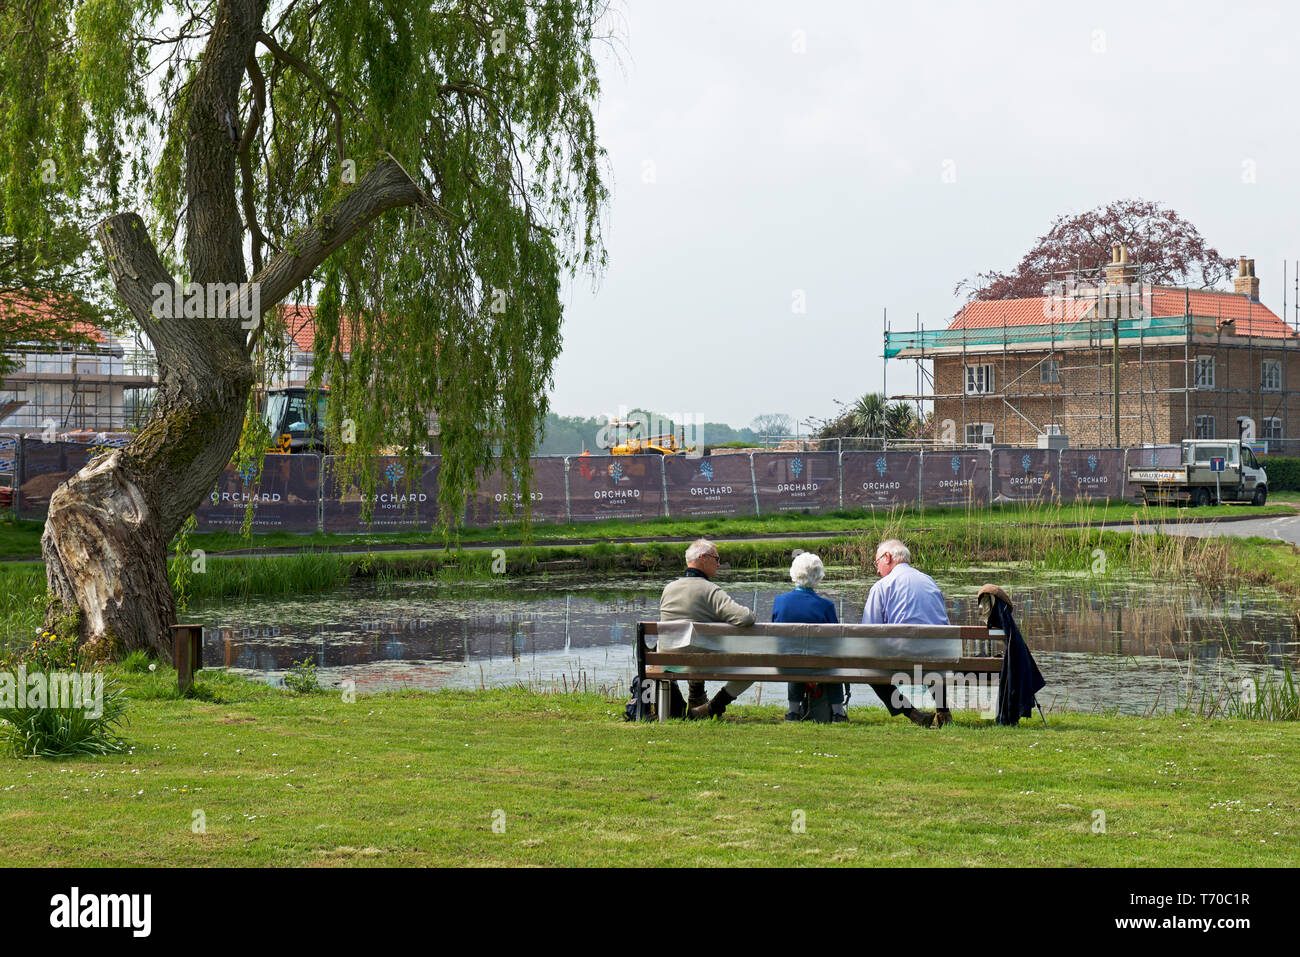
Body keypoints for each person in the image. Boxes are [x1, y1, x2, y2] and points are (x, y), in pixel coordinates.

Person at [659, 538, 756, 719]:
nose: (719, 564)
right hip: (702, 661)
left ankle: (696, 696)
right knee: (756, 664)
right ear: (703, 558)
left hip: (669, 661)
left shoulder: (668, 588)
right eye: (716, 559)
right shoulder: (709, 590)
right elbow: (745, 618)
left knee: (694, 645)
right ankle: (713, 707)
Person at [861, 538, 953, 728]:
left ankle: (912, 713)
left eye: (877, 562)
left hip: (902, 658)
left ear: (887, 557)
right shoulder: (929, 581)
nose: (877, 570)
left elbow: (868, 634)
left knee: (868, 669)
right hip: (939, 655)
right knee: (931, 650)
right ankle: (943, 711)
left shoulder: (882, 586)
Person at [772, 552, 845, 722]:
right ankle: (838, 713)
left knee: (795, 655)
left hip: (787, 663)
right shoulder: (826, 605)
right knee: (831, 662)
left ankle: (793, 711)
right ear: (819, 576)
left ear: (793, 573)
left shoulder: (780, 601)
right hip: (821, 664)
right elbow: (835, 641)